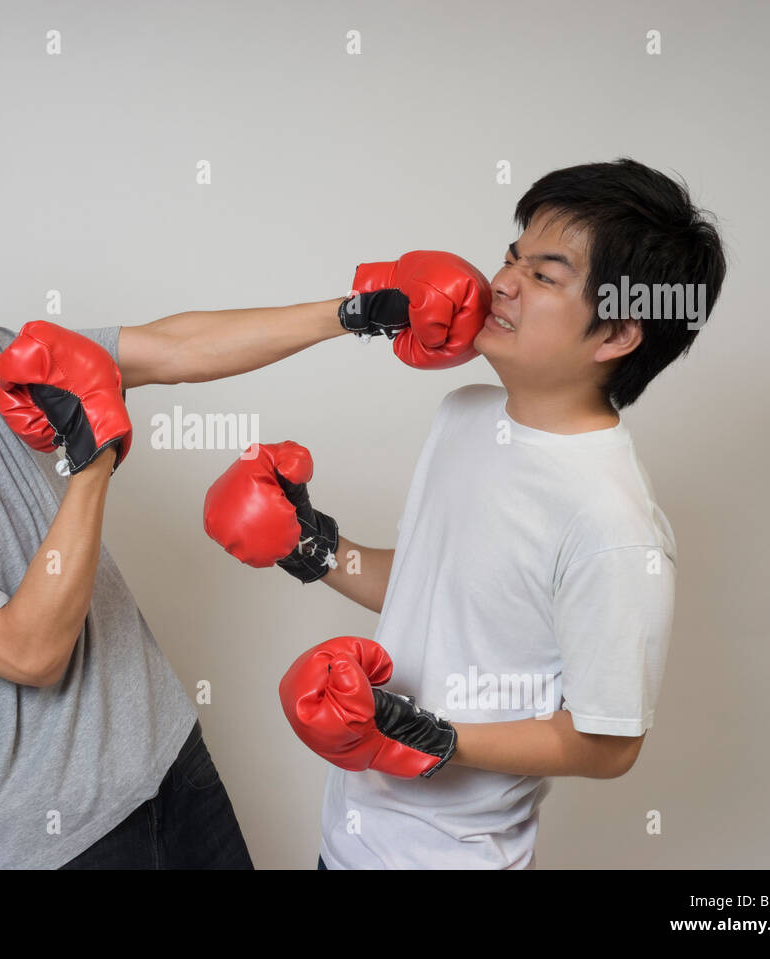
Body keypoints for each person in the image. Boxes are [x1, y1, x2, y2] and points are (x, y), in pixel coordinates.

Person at [0, 157, 463, 868]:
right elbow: (31, 653)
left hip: (175, 761)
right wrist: (91, 459)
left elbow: (177, 348)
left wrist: (354, 312)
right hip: (70, 839)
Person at [202, 158, 728, 868]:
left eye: (544, 275)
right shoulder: (467, 414)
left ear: (616, 335)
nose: (500, 282)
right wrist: (310, 544)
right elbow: (437, 588)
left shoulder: (613, 524)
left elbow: (609, 740)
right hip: (351, 840)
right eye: (512, 257)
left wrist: (424, 733)